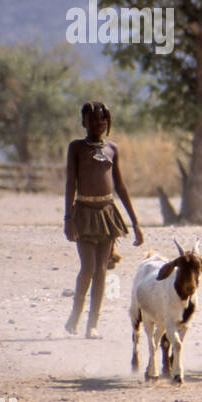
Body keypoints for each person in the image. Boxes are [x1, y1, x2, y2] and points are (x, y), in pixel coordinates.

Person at [63, 101, 143, 337]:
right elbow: (70, 183)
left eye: (102, 120)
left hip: (107, 214)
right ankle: (76, 314)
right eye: (92, 120)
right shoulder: (76, 148)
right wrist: (68, 217)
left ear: (107, 123)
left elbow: (120, 185)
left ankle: (93, 324)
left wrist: (135, 223)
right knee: (87, 268)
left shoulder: (112, 149)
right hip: (83, 212)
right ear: (83, 122)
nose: (98, 124)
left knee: (101, 270)